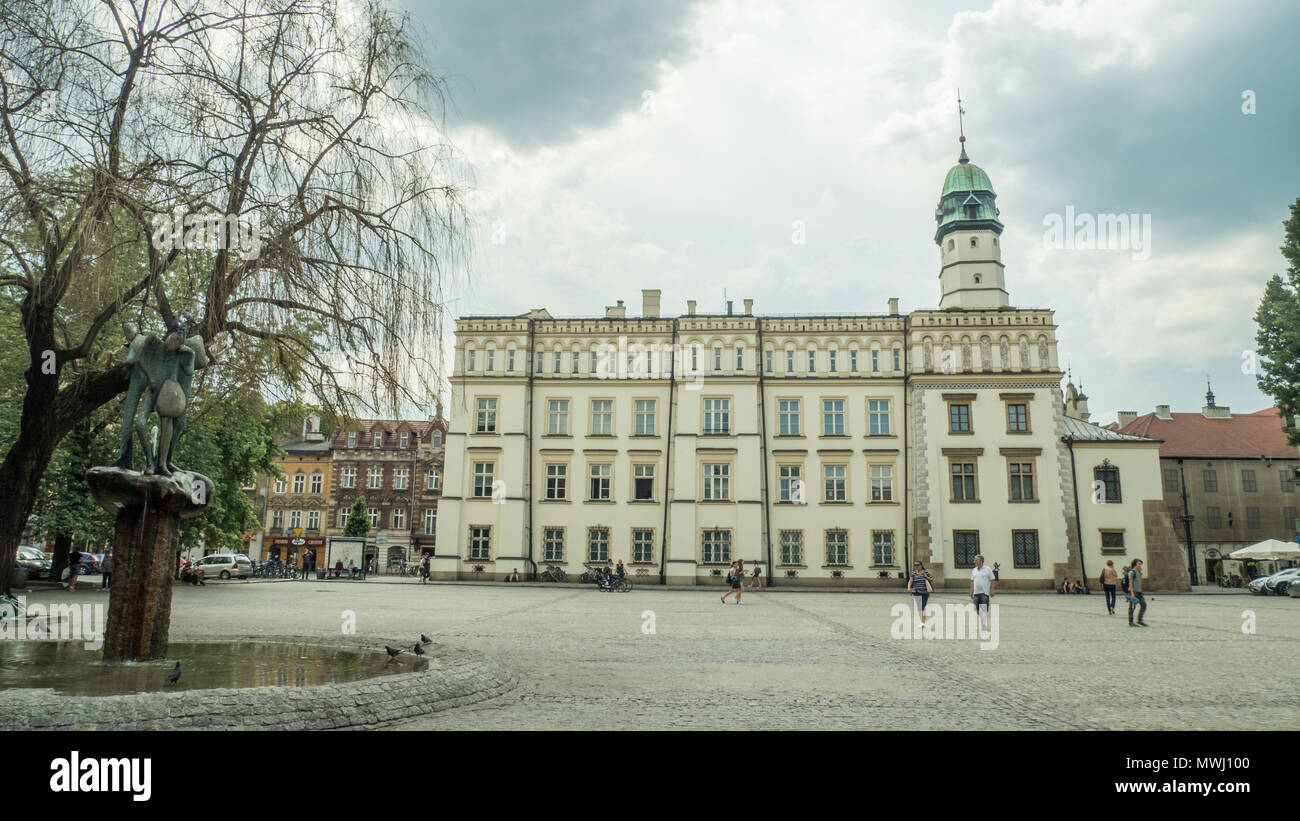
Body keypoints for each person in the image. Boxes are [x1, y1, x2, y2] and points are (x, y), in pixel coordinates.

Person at [969, 554, 995, 631]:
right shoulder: (974, 570)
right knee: (976, 609)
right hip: (976, 593)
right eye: (974, 560)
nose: (974, 561)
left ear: (981, 561)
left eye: (975, 560)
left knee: (983, 609)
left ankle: (983, 624)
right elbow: (972, 581)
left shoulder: (987, 569)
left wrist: (992, 590)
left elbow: (992, 580)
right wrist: (971, 591)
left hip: (984, 593)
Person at [1127, 559, 1148, 627]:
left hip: (1139, 592)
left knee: (1144, 605)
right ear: (1135, 564)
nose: (1140, 565)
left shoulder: (1138, 572)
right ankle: (1131, 622)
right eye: (1139, 564)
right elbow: (1130, 583)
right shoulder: (1131, 572)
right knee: (1132, 607)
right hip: (1133, 592)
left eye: (1140, 564)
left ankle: (1140, 620)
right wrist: (1132, 593)